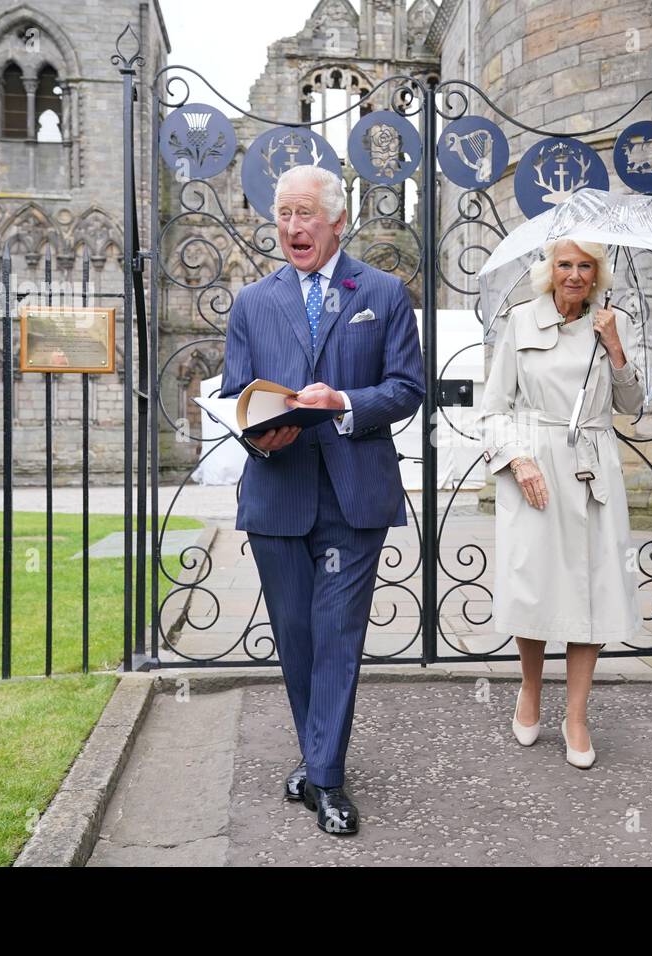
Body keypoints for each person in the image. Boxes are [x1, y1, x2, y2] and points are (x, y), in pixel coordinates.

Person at [222, 164, 425, 834]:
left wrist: (342, 403)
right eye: (282, 213)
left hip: (352, 495)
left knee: (337, 636)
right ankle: (316, 758)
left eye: (304, 212)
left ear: (337, 219)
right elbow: (235, 395)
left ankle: (327, 780)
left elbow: (405, 387)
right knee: (298, 640)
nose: (291, 227)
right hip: (277, 493)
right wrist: (261, 436)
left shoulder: (383, 292)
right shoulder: (253, 303)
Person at [479, 237, 646, 769]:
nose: (575, 275)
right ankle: (530, 688)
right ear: (549, 270)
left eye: (585, 266)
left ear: (598, 275)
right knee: (534, 584)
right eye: (565, 265)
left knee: (591, 591)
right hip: (533, 462)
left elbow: (633, 403)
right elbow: (494, 408)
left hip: (593, 465)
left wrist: (615, 346)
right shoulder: (520, 322)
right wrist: (517, 459)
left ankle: (577, 715)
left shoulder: (610, 322)